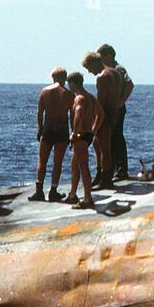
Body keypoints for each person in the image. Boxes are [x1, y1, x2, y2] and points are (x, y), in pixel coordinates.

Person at [31, 67, 73, 202]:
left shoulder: (45, 91)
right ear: (65, 78)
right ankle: (53, 191)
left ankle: (39, 191)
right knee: (57, 162)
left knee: (42, 161)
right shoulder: (69, 94)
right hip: (62, 129)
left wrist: (40, 129)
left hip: (48, 129)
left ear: (53, 78)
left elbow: (40, 113)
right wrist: (73, 132)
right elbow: (72, 116)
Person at [65, 71, 103, 209]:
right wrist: (94, 130)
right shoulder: (91, 97)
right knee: (74, 165)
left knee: (83, 167)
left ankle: (87, 199)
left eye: (69, 84)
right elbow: (101, 114)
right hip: (87, 135)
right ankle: (72, 194)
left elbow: (78, 116)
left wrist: (74, 133)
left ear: (73, 84)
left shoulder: (79, 98)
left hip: (80, 136)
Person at [83, 51, 121, 190]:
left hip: (104, 115)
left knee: (104, 148)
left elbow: (100, 101)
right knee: (99, 145)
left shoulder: (101, 77)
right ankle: (102, 175)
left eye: (89, 68)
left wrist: (93, 118)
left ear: (94, 63)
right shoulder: (115, 73)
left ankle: (106, 179)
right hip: (114, 113)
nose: (89, 72)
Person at [97, 43, 134, 181]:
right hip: (110, 108)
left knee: (117, 137)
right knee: (110, 138)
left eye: (101, 57)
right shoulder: (107, 70)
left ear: (109, 55)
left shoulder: (119, 69)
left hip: (117, 108)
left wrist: (120, 102)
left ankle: (121, 169)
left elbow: (130, 84)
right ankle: (111, 169)